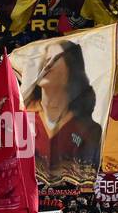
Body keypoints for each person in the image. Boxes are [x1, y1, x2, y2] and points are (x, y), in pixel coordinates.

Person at [20, 40, 102, 185]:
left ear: (71, 69)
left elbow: (88, 174)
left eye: (55, 59)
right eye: (45, 60)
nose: (46, 65)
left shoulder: (89, 130)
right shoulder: (21, 118)